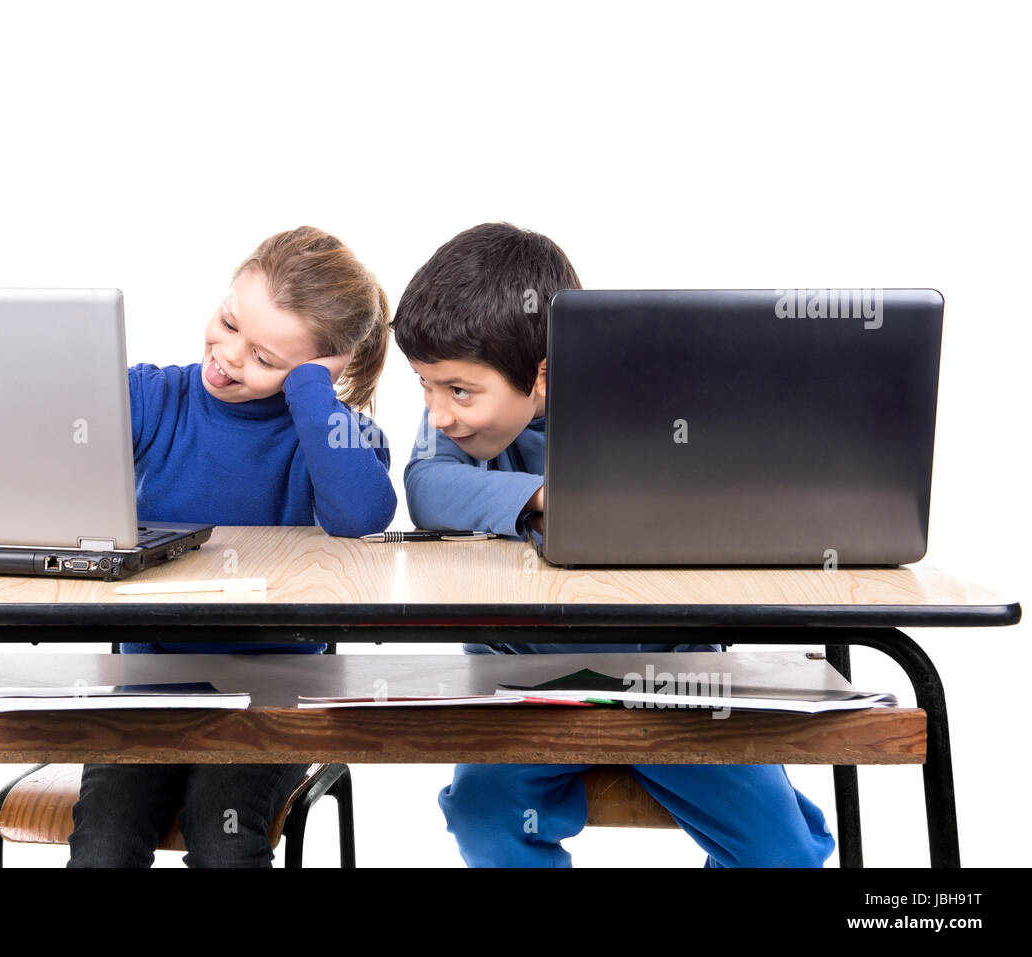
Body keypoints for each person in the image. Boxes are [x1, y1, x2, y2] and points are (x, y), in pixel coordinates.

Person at [391, 222, 835, 868]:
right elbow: (427, 489)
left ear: (543, 375)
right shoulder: (453, 431)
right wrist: (554, 497)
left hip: (674, 675)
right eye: (424, 386)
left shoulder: (640, 404)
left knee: (782, 850)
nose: (438, 412)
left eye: (459, 389)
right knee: (484, 815)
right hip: (521, 683)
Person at [68, 226, 396, 867]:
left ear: (316, 370)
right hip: (149, 682)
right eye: (228, 321)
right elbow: (45, 428)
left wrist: (310, 393)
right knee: (104, 842)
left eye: (268, 359)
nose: (228, 357)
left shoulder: (333, 434)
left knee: (222, 836)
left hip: (275, 688)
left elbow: (363, 513)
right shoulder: (156, 397)